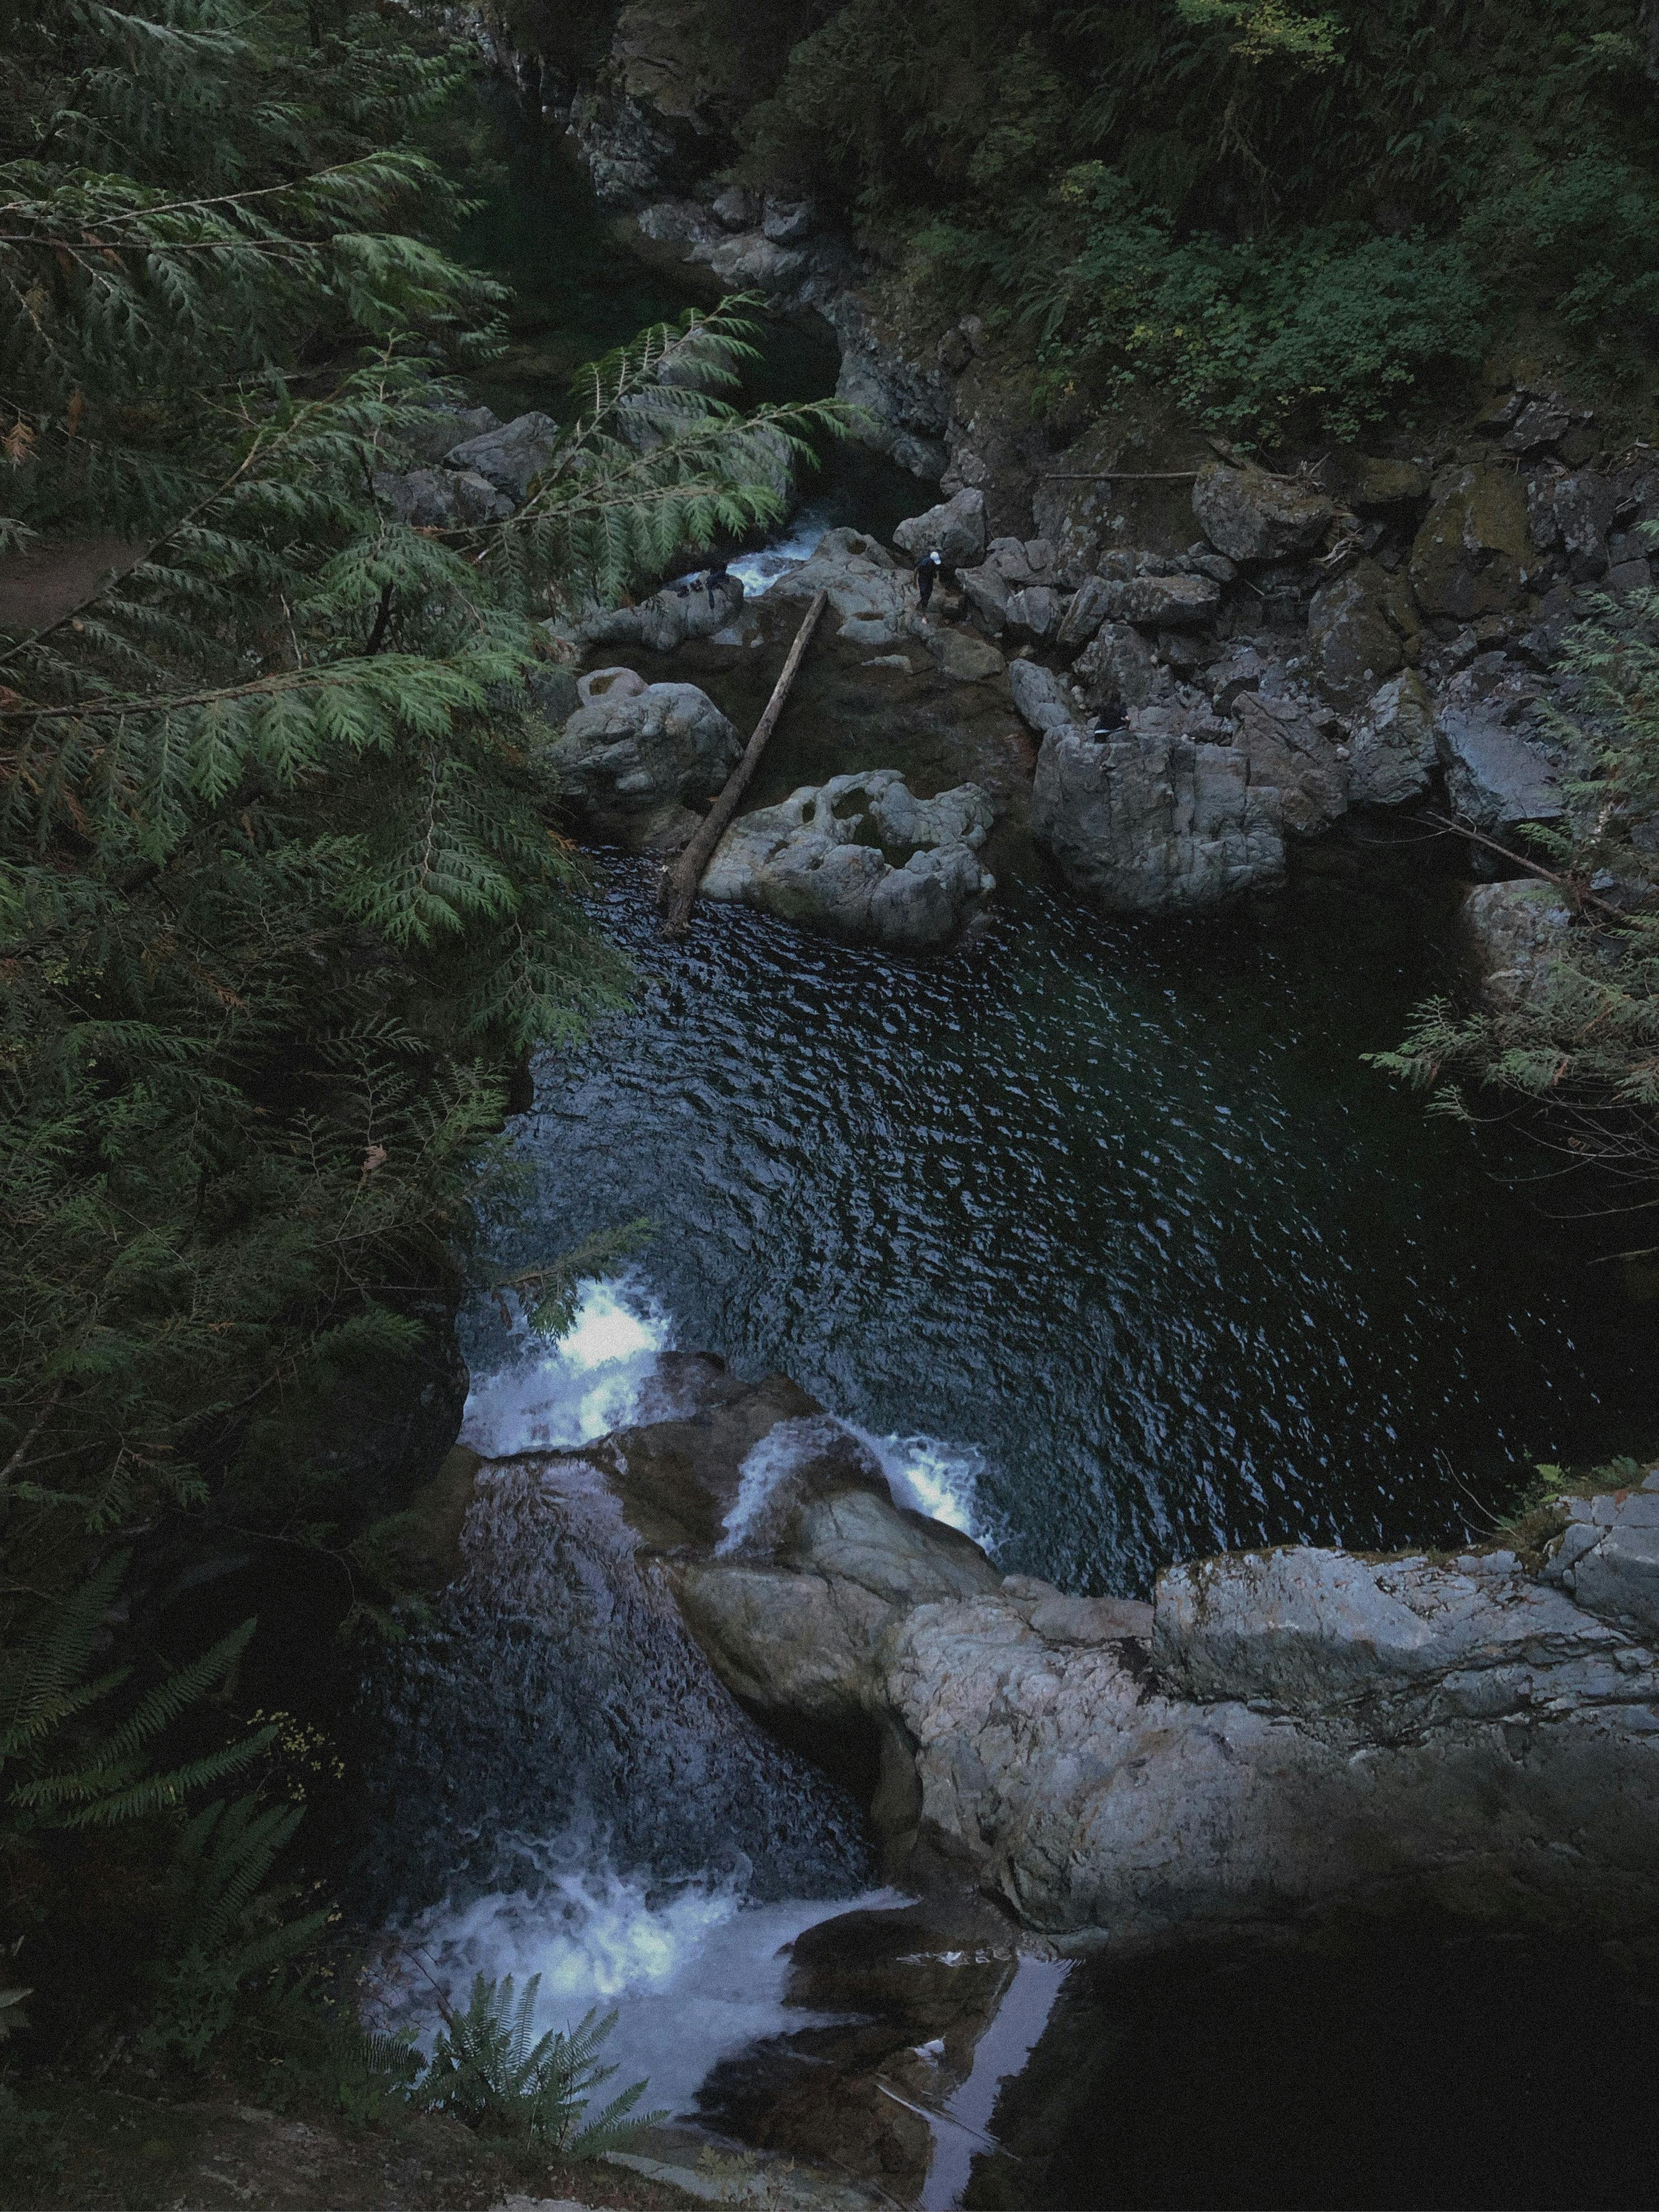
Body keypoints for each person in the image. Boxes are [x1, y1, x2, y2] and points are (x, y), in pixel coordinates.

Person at [915, 547, 943, 612]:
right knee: (924, 593)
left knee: (928, 594)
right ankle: (921, 608)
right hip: (923, 579)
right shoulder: (925, 562)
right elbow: (916, 570)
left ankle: (923, 606)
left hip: (929, 579)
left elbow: (935, 571)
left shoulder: (935, 564)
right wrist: (914, 582)